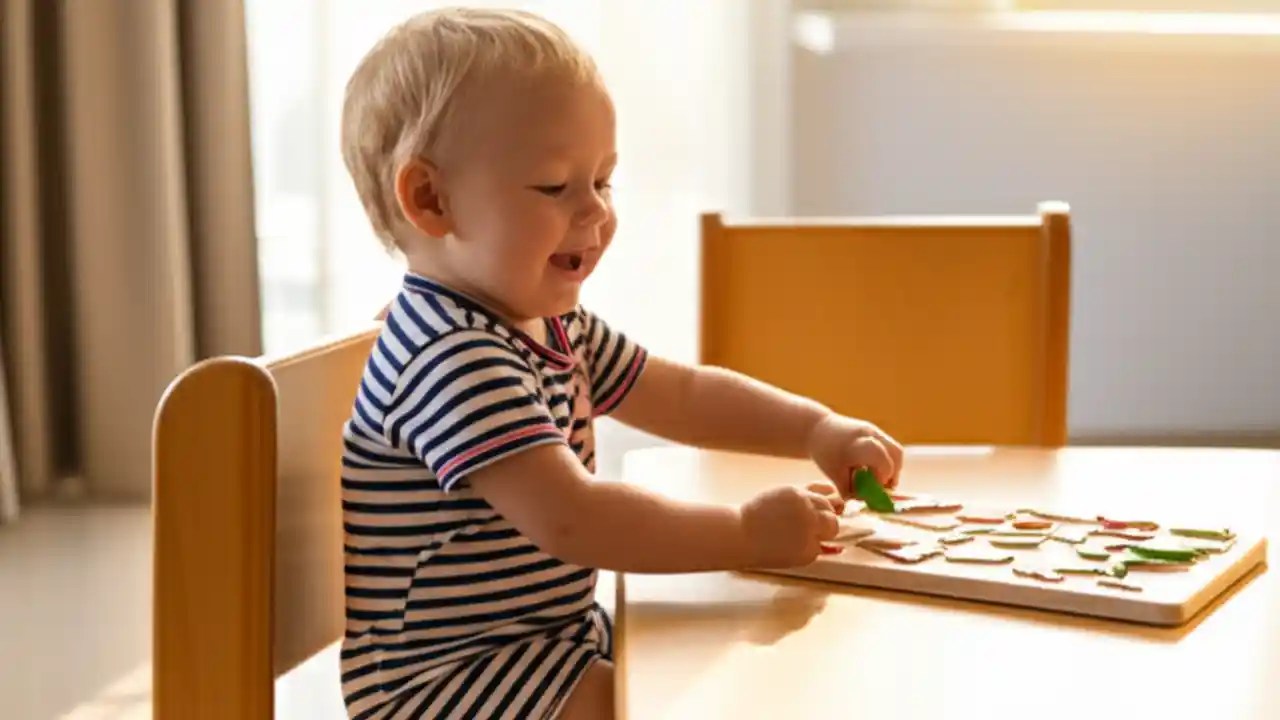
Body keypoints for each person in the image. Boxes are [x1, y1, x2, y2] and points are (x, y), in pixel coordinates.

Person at [337, 8, 903, 718]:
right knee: (687, 696)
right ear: (430, 199)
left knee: (722, 655)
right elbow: (574, 519)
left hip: (544, 643)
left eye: (603, 182)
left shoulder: (544, 322)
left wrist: (815, 428)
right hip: (447, 685)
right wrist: (743, 534)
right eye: (554, 188)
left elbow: (683, 395)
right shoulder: (448, 354)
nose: (596, 214)